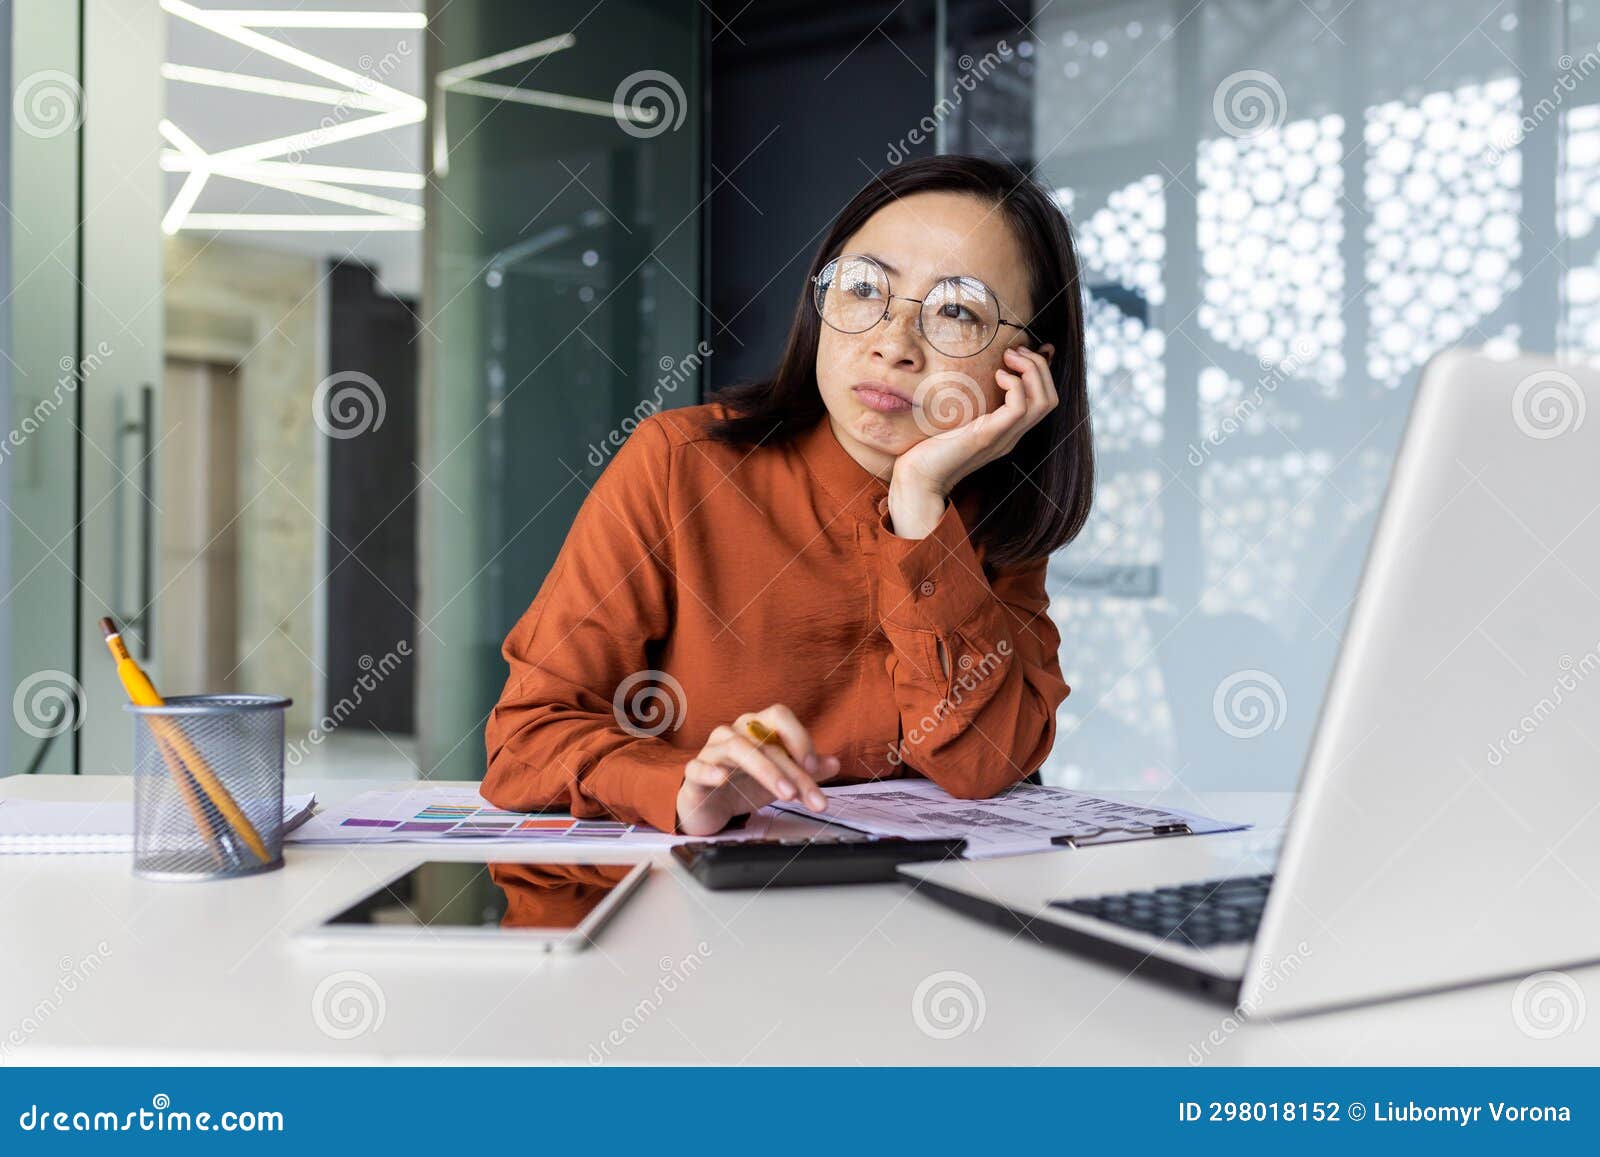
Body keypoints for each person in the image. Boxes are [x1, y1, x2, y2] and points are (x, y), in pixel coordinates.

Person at [484, 154, 1094, 836]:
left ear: (1030, 363)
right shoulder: (678, 465)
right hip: (701, 909)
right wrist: (679, 783)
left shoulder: (997, 511)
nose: (894, 344)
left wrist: (920, 498)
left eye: (957, 309)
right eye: (866, 288)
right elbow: (525, 741)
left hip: (919, 919)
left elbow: (981, 762)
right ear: (821, 298)